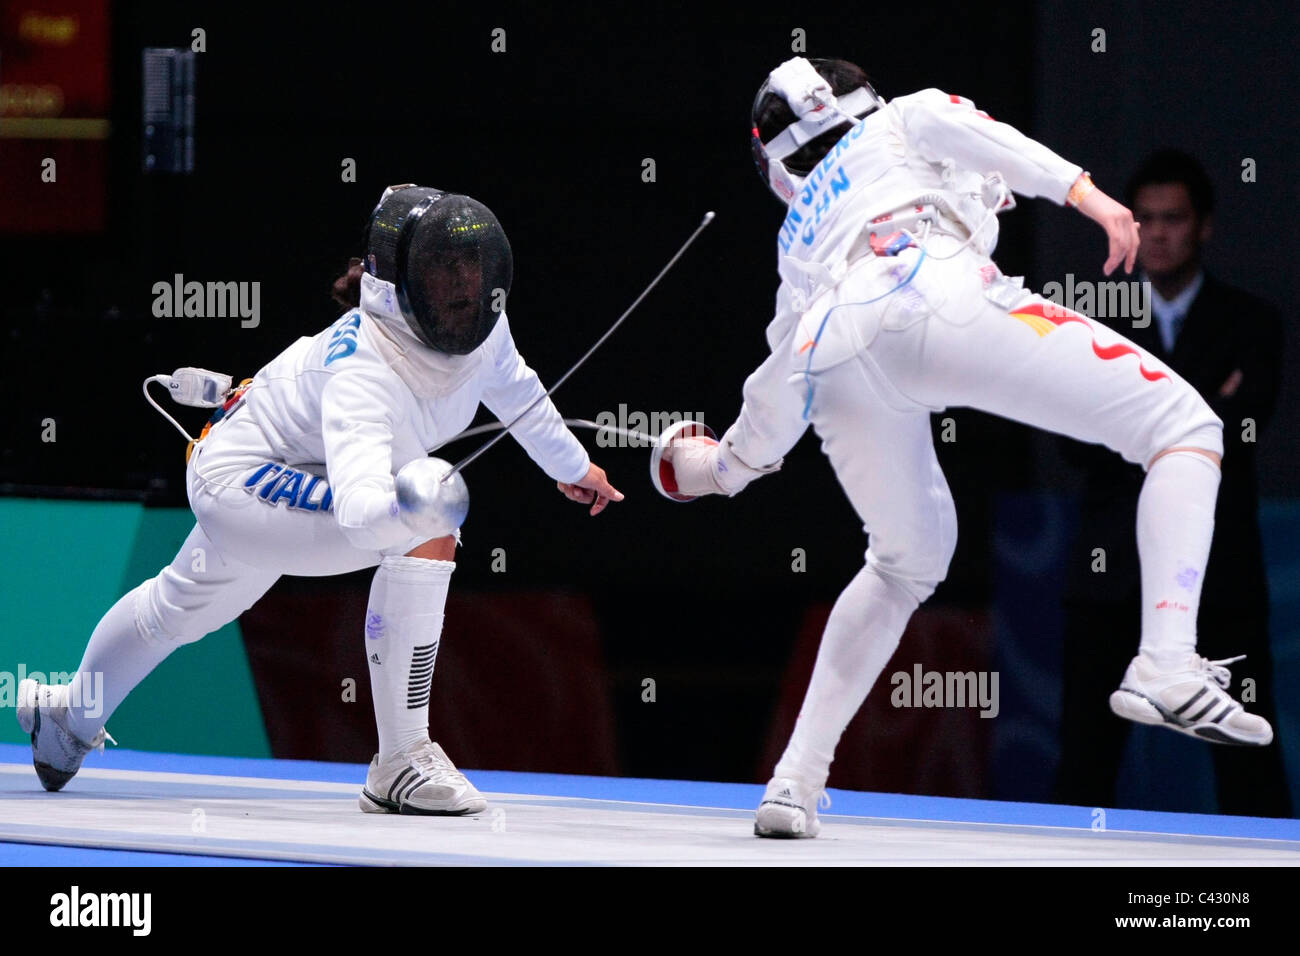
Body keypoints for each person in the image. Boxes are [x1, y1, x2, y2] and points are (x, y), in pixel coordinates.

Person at [658, 58, 1274, 838]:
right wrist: (1091, 199)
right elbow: (992, 138)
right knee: (1184, 427)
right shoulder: (905, 116)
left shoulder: (798, 242)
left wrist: (708, 467)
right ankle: (1166, 657)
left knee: (906, 558)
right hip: (940, 300)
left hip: (836, 357)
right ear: (858, 101)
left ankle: (793, 784)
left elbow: (778, 390)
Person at [16, 184, 623, 815]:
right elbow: (363, 515)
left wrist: (574, 466)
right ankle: (402, 760)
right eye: (446, 266)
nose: (465, 280)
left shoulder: (477, 328)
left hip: (297, 473)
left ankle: (66, 719)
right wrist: (416, 506)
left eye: (472, 263)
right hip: (241, 478)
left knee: (181, 606)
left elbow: (517, 390)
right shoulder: (364, 372)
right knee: (427, 511)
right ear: (401, 278)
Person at [1054, 150, 1290, 816]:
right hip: (1109, 579)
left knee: (1250, 769)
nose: (1158, 233)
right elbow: (1071, 440)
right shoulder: (1092, 319)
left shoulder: (1252, 321)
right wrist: (1193, 420)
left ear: (1203, 227)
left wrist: (1130, 422)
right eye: (1146, 219)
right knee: (1084, 765)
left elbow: (1241, 434)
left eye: (1174, 219)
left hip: (1219, 580)